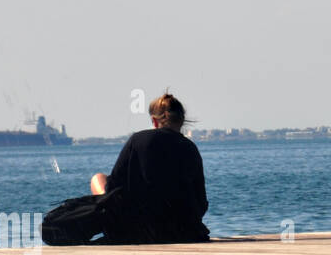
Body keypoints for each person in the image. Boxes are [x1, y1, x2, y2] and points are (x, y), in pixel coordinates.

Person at [43, 92, 209, 244]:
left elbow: (114, 186)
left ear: (154, 121)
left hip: (143, 229)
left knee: (98, 179)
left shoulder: (138, 140)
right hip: (185, 231)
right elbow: (201, 203)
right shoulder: (190, 148)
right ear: (181, 121)